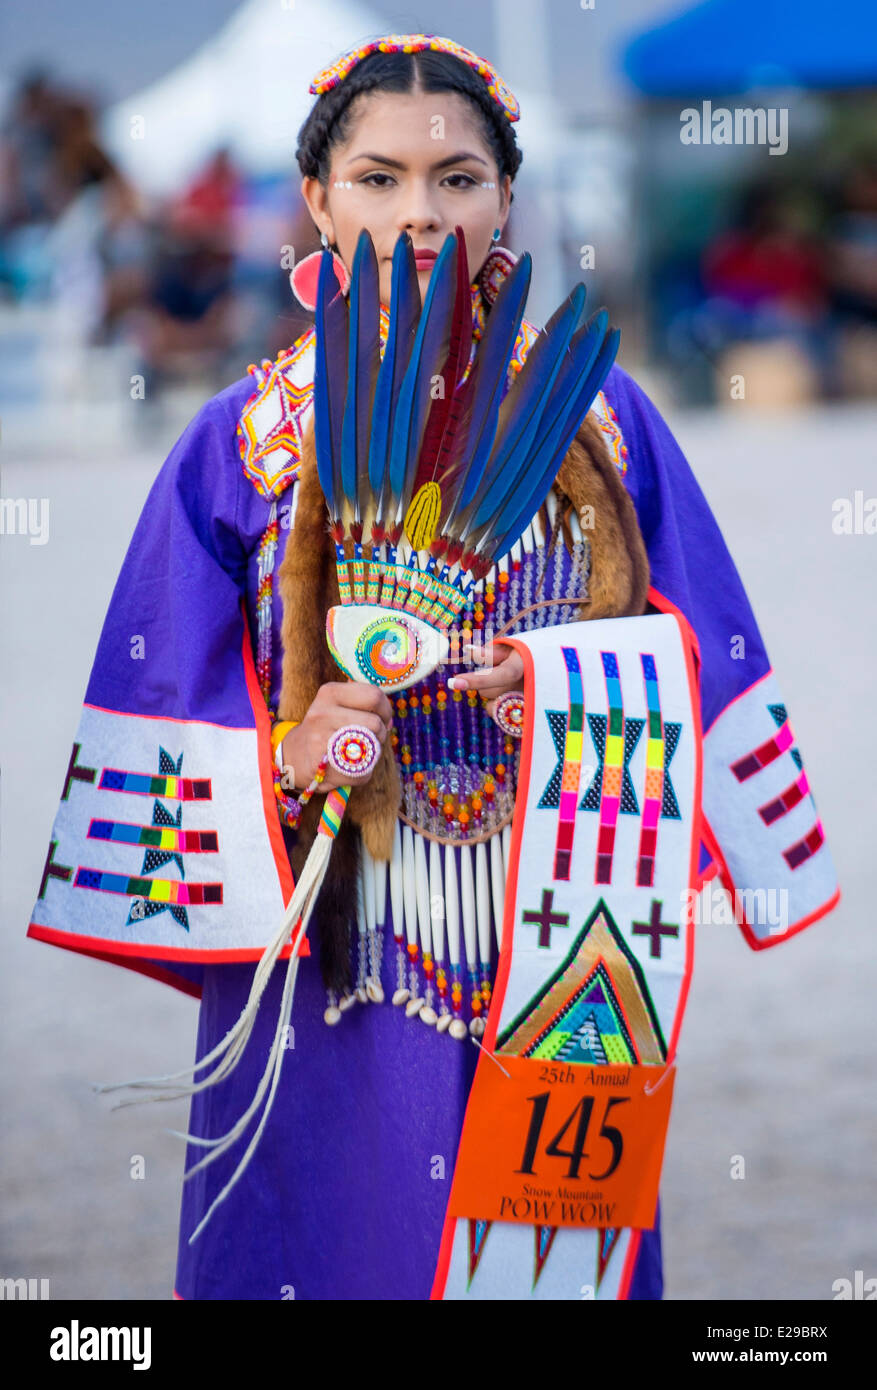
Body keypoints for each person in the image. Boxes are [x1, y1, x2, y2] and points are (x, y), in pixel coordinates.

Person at [28, 35, 840, 1302]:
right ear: (316, 200)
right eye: (378, 177)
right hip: (335, 960)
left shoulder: (607, 423)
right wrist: (291, 756)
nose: (420, 213)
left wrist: (575, 687)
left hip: (563, 945)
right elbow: (160, 705)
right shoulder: (238, 446)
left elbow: (707, 655)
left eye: (458, 178)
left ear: (505, 196)